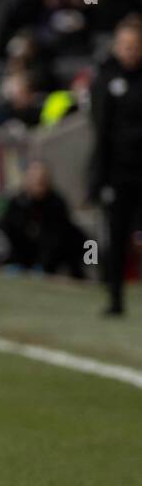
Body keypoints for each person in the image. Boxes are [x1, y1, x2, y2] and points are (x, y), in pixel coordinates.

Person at [89, 16, 142, 315]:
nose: (130, 52)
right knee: (117, 237)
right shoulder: (106, 79)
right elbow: (101, 130)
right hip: (118, 173)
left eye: (135, 46)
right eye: (126, 46)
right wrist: (99, 179)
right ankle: (115, 298)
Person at [0, 161, 86, 278]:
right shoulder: (17, 203)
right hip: (22, 260)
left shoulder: (57, 204)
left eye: (42, 180)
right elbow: (9, 233)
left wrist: (43, 265)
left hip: (54, 259)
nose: (38, 183)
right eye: (34, 179)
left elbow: (56, 237)